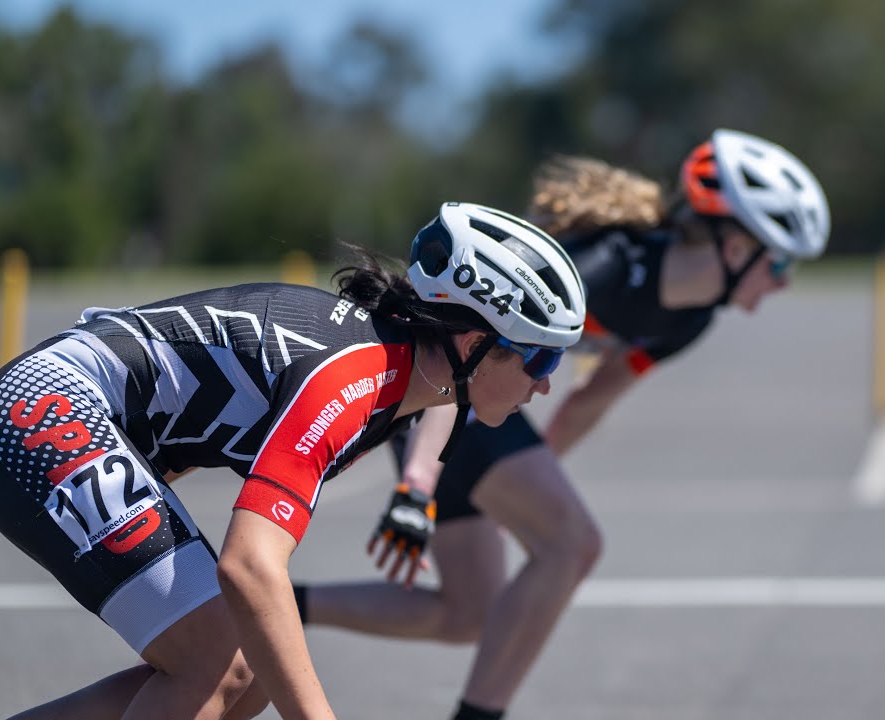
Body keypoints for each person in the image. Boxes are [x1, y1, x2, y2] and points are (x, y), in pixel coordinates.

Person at [0, 201, 586, 720]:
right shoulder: (354, 382)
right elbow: (250, 565)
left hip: (61, 412)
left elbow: (188, 437)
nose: (546, 383)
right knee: (220, 662)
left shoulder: (401, 375)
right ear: (474, 345)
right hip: (43, 409)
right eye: (542, 357)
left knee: (249, 672)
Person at [294, 129, 831, 719]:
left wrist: (527, 489)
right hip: (442, 395)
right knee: (573, 544)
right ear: (735, 248)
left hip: (474, 408)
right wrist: (417, 484)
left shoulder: (691, 319)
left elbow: (590, 402)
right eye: (779, 262)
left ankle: (283, 606)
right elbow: (457, 345)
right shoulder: (609, 264)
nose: (784, 282)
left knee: (468, 614)